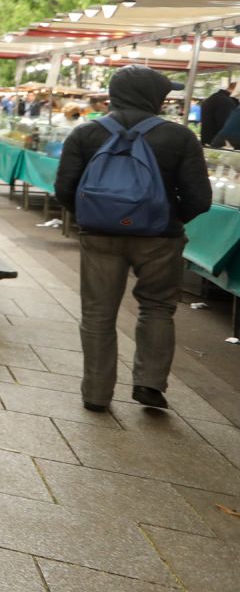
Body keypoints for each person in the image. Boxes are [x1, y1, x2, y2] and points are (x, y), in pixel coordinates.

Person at [55, 66, 211, 412]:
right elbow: (200, 199)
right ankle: (150, 384)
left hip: (99, 237)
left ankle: (95, 393)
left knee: (97, 313)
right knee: (157, 308)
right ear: (153, 98)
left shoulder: (86, 134)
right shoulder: (179, 137)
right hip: (159, 238)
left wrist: (93, 218)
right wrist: (169, 217)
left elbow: (64, 189)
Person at [200, 82, 237, 146]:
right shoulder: (225, 101)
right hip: (218, 143)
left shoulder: (216, 97)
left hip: (209, 140)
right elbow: (227, 124)